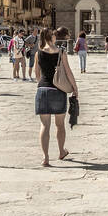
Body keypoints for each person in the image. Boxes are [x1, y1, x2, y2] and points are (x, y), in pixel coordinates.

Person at [33, 27, 77, 167]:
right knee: (60, 125)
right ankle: (61, 151)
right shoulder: (61, 52)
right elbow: (68, 72)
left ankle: (45, 158)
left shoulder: (38, 53)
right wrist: (75, 88)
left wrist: (43, 84)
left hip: (43, 90)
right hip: (58, 91)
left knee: (45, 125)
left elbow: (37, 75)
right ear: (51, 37)